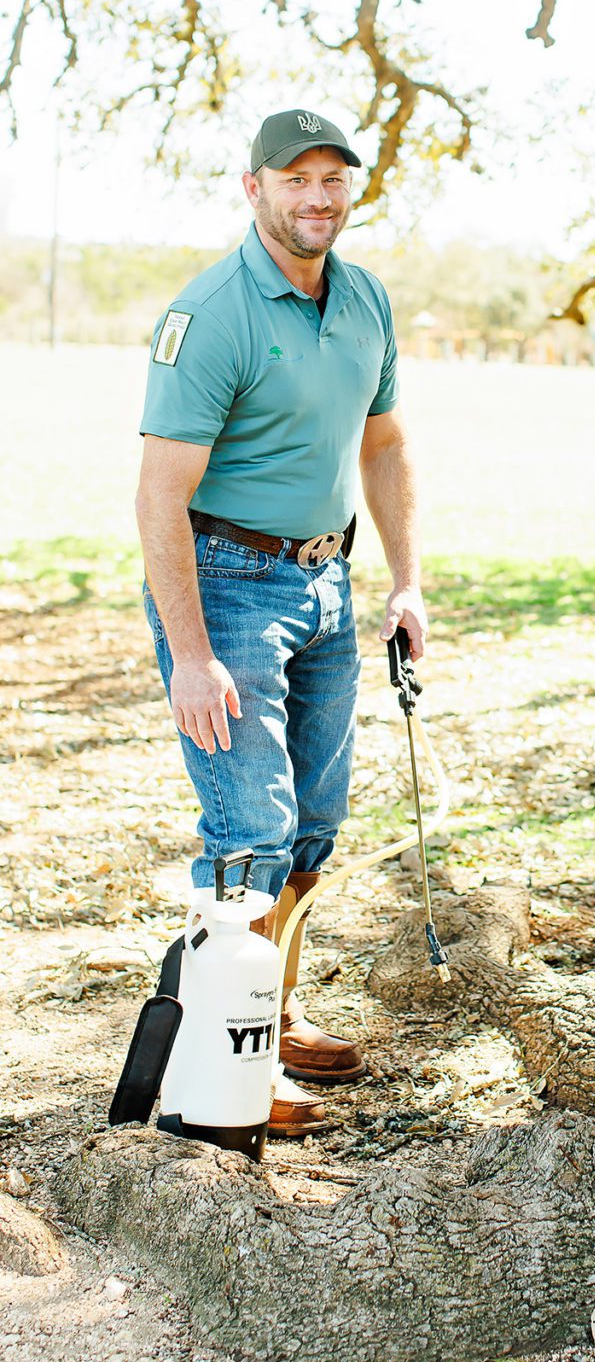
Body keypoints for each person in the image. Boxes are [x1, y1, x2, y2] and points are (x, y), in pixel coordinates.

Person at [135, 109, 427, 1137]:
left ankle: (273, 1012)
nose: (318, 198)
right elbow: (157, 495)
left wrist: (403, 581)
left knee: (311, 828)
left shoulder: (363, 300)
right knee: (249, 831)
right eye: (296, 180)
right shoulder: (213, 312)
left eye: (333, 180)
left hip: (324, 585)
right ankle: (224, 1064)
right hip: (223, 586)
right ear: (252, 187)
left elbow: (383, 448)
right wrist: (193, 653)